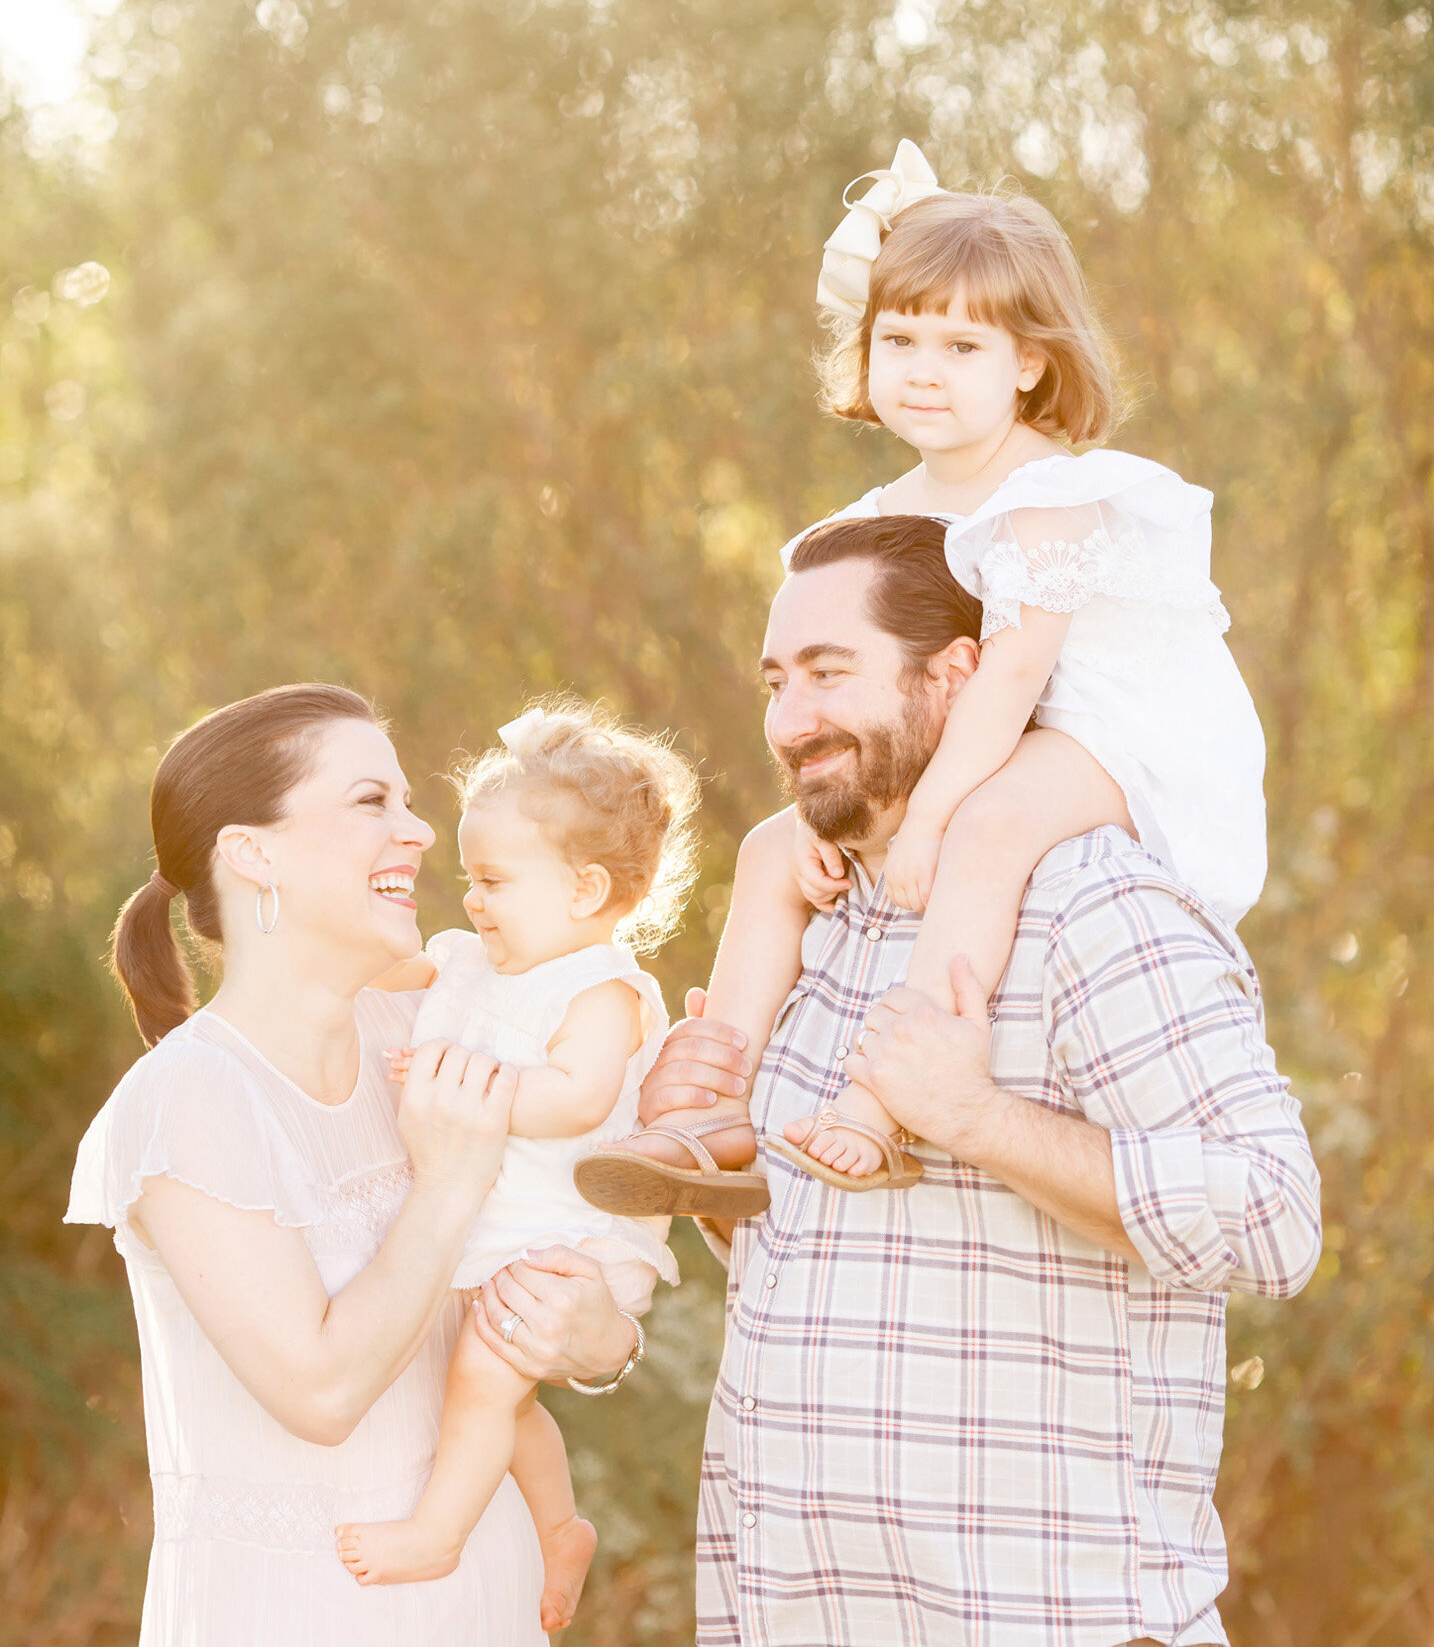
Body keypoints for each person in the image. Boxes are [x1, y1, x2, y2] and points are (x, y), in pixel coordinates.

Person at [639, 516, 1321, 1646]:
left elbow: (1275, 1216)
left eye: (827, 673)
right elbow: (808, 1258)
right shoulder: (817, 923)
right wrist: (710, 1143)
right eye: (775, 681)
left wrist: (979, 1119)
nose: (789, 719)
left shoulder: (1095, 904)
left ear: (955, 674)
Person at [581, 139, 1266, 1205]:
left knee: (987, 834)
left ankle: (879, 1102)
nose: (924, 370)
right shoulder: (878, 515)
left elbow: (1010, 676)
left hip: (1116, 729)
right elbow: (867, 690)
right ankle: (717, 1102)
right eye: (899, 339)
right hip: (1001, 730)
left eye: (961, 345)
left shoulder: (1053, 493)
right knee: (773, 846)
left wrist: (935, 815)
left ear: (1030, 362)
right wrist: (824, 819)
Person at [65, 683, 641, 1647]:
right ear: (251, 853)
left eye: (410, 803)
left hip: (483, 1591)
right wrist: (451, 1179)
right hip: (306, 1613)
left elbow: (562, 1231)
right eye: (373, 802)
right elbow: (322, 1394)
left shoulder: (434, 1030)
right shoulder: (184, 1103)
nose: (418, 833)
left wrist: (601, 1342)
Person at [335, 702, 695, 1620]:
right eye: (470, 878)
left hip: (569, 1230)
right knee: (501, 1394)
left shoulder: (600, 987)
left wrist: (463, 1081)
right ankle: (559, 1527)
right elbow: (382, 970)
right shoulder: (469, 962)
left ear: (583, 891)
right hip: (504, 1225)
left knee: (483, 1381)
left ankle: (437, 1536)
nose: (473, 900)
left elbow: (576, 1097)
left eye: (495, 880)